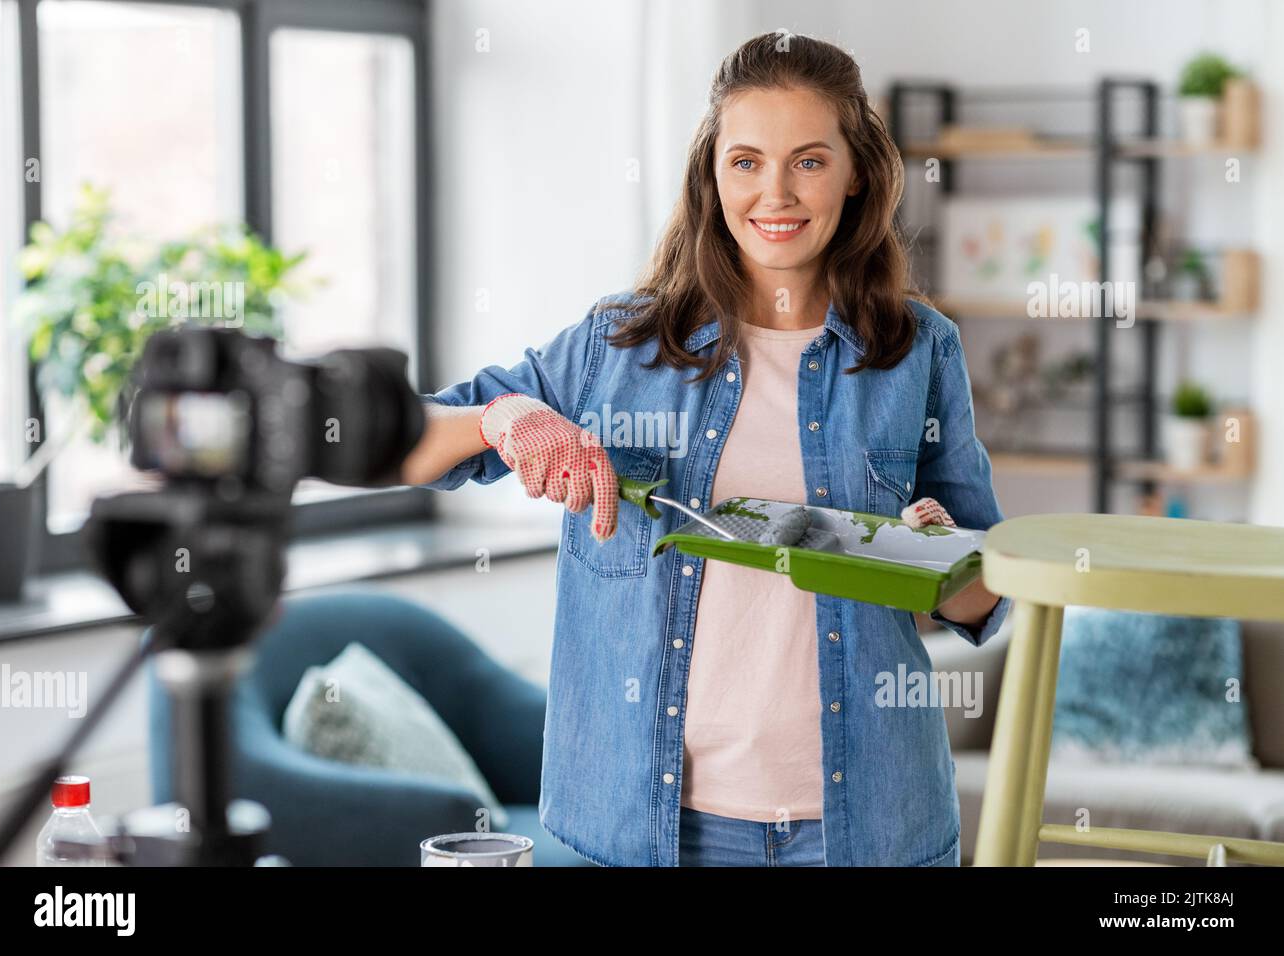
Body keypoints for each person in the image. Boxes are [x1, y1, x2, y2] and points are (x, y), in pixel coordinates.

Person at [403, 31, 1012, 867]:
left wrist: (942, 561)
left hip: (871, 828)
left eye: (808, 161)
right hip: (645, 830)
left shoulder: (917, 350)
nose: (776, 193)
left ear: (856, 171)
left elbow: (985, 601)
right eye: (747, 161)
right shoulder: (617, 346)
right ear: (712, 174)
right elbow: (404, 447)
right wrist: (503, 418)